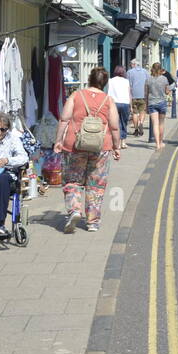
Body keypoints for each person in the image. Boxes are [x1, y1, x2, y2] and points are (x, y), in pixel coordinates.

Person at [56, 67, 121, 233]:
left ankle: (75, 210)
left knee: (72, 180)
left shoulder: (76, 95)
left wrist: (58, 141)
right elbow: (114, 127)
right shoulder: (108, 100)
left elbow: (64, 119)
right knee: (96, 184)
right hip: (100, 146)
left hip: (74, 145)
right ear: (104, 83)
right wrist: (116, 146)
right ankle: (92, 222)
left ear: (89, 79)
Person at [145, 63, 172, 151]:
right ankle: (160, 142)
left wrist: (146, 105)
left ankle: (157, 144)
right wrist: (168, 91)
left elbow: (146, 93)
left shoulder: (148, 79)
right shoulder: (164, 79)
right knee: (161, 123)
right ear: (161, 69)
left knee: (155, 124)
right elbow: (167, 91)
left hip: (152, 103)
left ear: (152, 69)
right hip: (162, 103)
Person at [108, 65, 132, 146]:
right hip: (125, 103)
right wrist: (131, 105)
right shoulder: (126, 81)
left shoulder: (110, 81)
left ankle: (116, 143)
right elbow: (129, 94)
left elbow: (109, 93)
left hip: (114, 103)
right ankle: (123, 142)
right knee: (124, 122)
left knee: (115, 123)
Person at [127, 59, 149, 137]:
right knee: (142, 111)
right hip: (143, 95)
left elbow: (128, 85)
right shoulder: (145, 72)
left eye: (131, 64)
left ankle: (136, 130)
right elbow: (148, 83)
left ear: (133, 64)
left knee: (135, 113)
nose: (130, 65)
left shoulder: (129, 72)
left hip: (133, 96)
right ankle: (141, 123)